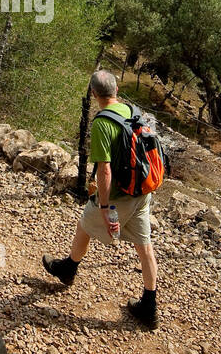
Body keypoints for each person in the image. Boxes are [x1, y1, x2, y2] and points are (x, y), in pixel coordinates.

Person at [43, 69, 159, 328]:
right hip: (143, 191)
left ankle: (68, 269)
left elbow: (104, 170)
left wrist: (105, 208)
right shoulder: (130, 111)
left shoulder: (102, 123)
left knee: (85, 224)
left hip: (119, 195)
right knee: (145, 245)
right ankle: (149, 306)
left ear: (94, 93)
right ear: (116, 90)